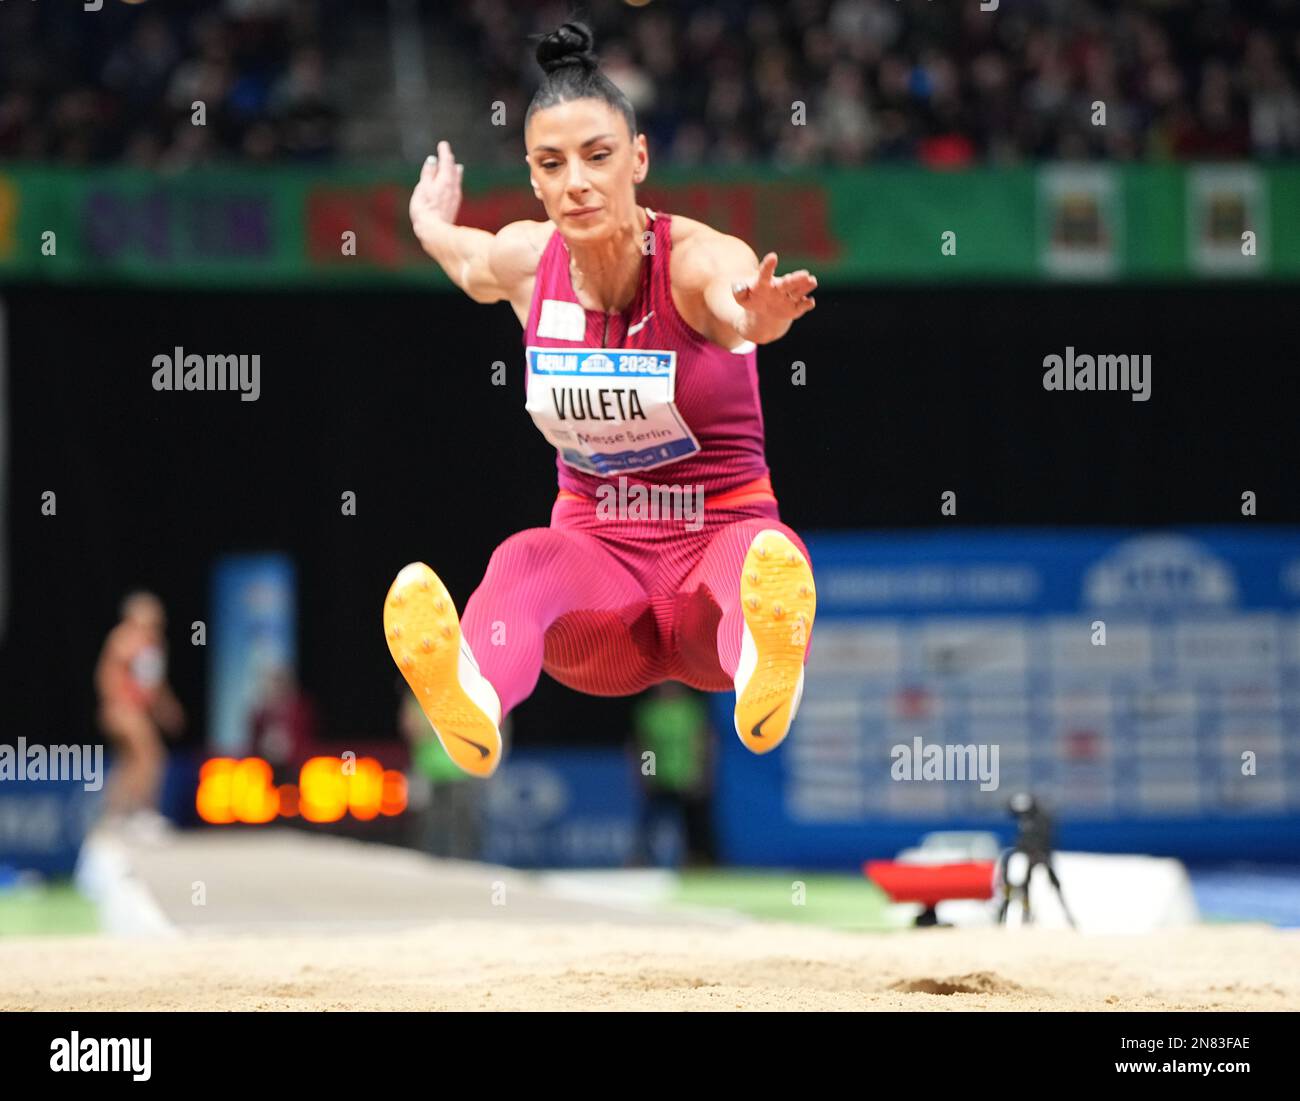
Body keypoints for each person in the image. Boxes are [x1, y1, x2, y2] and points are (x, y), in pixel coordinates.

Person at [384, 19, 817, 779]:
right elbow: (470, 260)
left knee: (760, 559)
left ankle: (764, 673)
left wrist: (758, 318)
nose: (576, 180)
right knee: (520, 558)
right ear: (533, 177)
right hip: (599, 579)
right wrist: (427, 223)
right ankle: (473, 701)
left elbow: (738, 296)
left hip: (711, 550)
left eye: (598, 155)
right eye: (552, 163)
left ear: (639, 158)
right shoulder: (529, 262)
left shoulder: (695, 262)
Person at [94, 591, 184, 836]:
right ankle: (143, 813)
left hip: (137, 711)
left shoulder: (155, 646)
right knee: (152, 756)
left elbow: (155, 687)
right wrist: (119, 705)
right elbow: (106, 676)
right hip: (122, 710)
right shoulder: (124, 639)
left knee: (129, 764)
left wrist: (168, 711)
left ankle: (114, 816)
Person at [629, 683, 714, 867]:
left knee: (692, 824)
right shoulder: (649, 710)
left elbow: (701, 743)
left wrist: (700, 773)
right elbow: (645, 746)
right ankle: (641, 860)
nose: (667, 688)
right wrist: (647, 774)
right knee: (651, 821)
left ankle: (695, 862)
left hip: (686, 778)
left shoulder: (691, 708)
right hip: (660, 779)